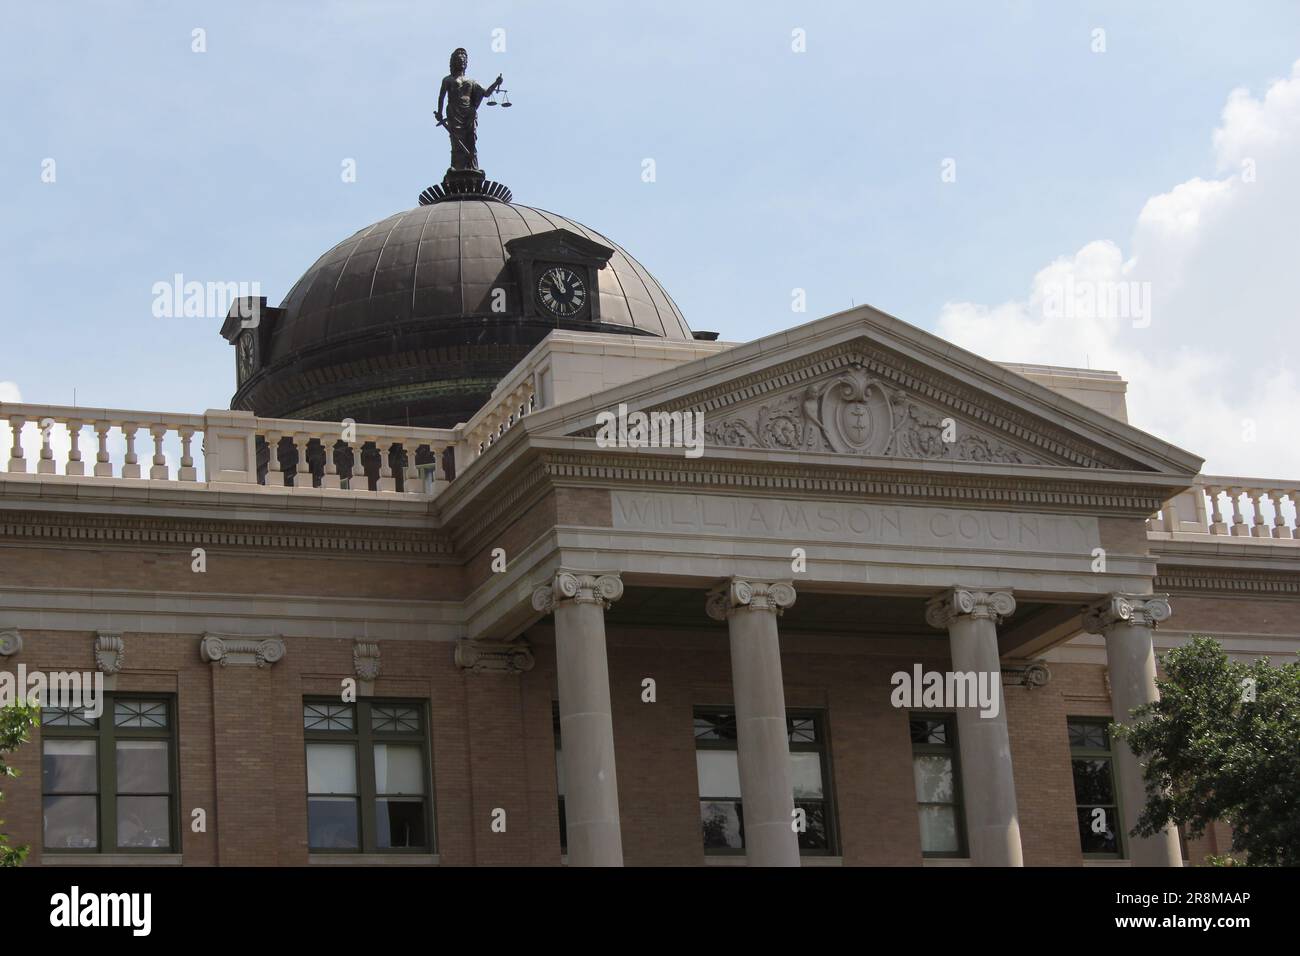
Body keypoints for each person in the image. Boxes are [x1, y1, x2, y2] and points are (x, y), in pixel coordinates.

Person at [435, 48, 502, 171]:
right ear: (453, 63)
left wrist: (496, 83)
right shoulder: (448, 80)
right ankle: (457, 166)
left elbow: (486, 93)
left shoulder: (472, 81)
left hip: (469, 113)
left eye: (463, 61)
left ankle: (472, 166)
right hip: (454, 112)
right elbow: (441, 96)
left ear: (465, 64)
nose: (461, 62)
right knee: (456, 140)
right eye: (458, 60)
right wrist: (439, 112)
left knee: (470, 139)